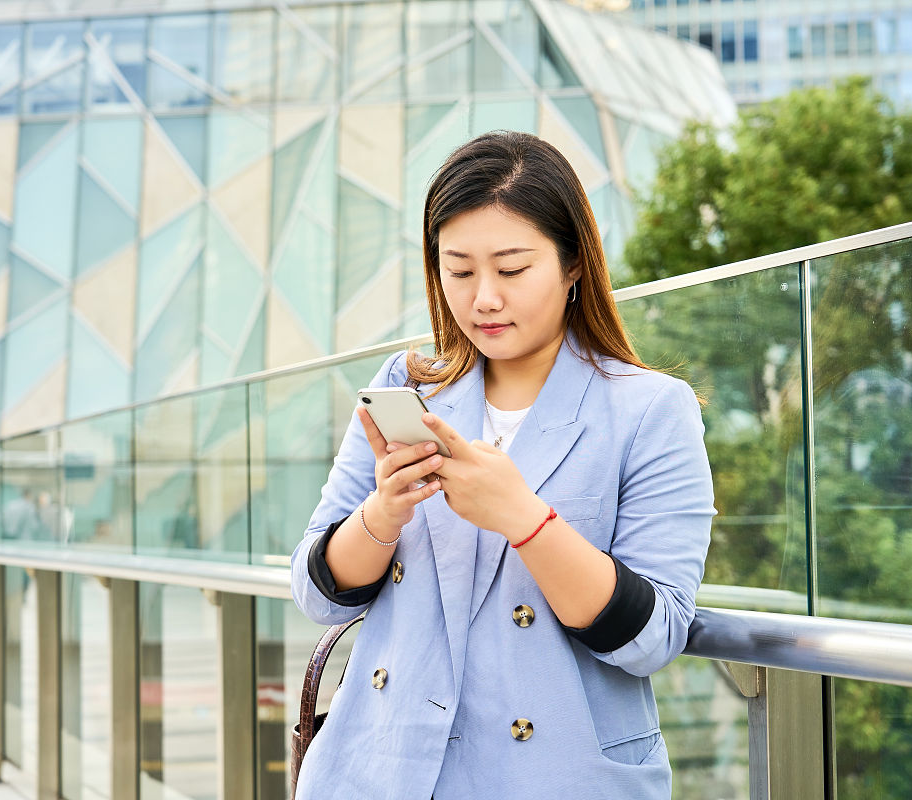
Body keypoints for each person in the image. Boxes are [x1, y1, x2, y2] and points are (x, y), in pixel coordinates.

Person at [290, 131, 715, 798]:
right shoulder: (410, 384)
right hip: (381, 769)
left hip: (556, 776)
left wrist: (523, 518)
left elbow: (655, 635)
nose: (483, 297)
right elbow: (316, 592)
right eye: (458, 270)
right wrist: (383, 513)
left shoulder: (650, 409)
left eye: (512, 270)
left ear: (574, 263)